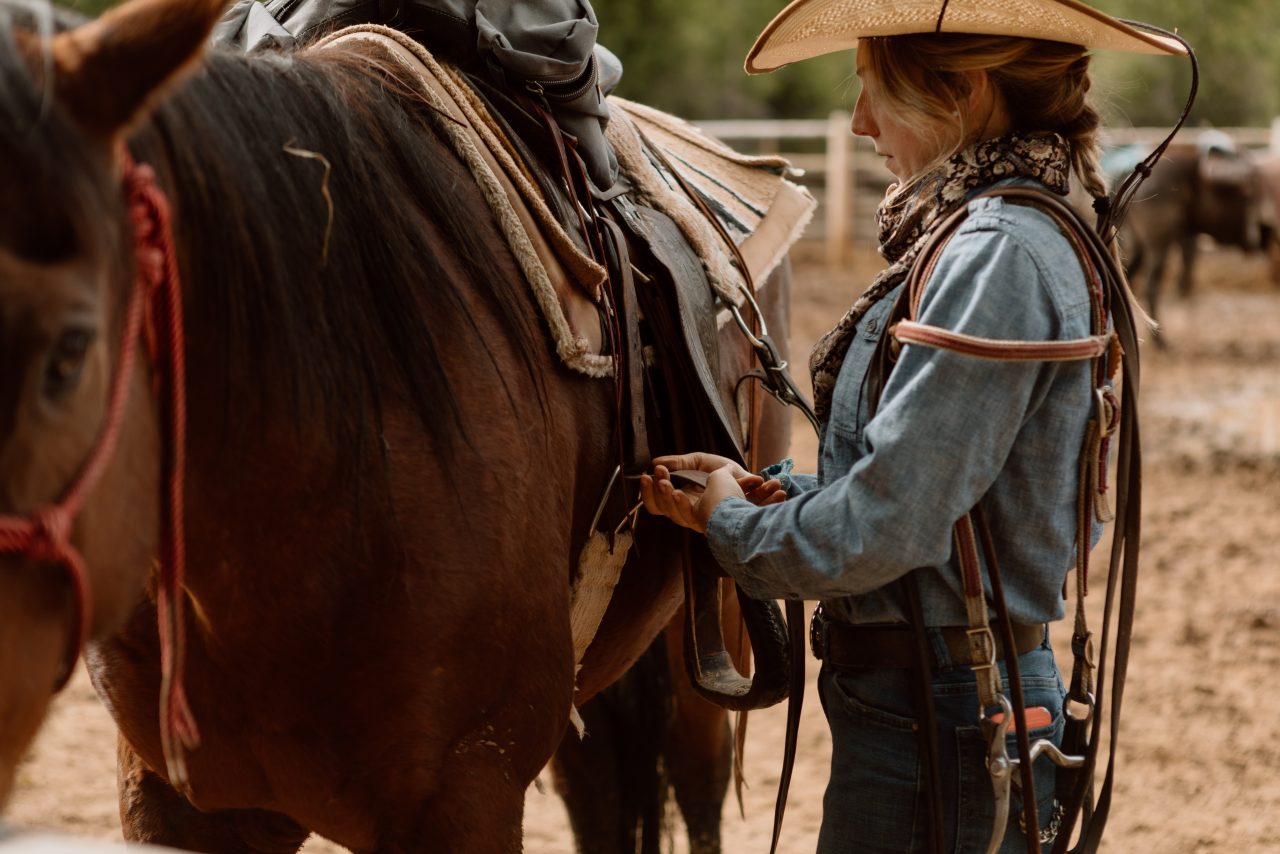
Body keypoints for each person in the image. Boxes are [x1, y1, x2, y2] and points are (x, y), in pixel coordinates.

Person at [639, 1, 1186, 851]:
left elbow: (885, 527)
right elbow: (941, 495)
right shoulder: (1009, 233)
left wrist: (731, 522)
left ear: (962, 93)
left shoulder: (996, 251)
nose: (858, 124)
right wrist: (777, 493)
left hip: (939, 714)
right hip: (946, 701)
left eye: (873, 91)